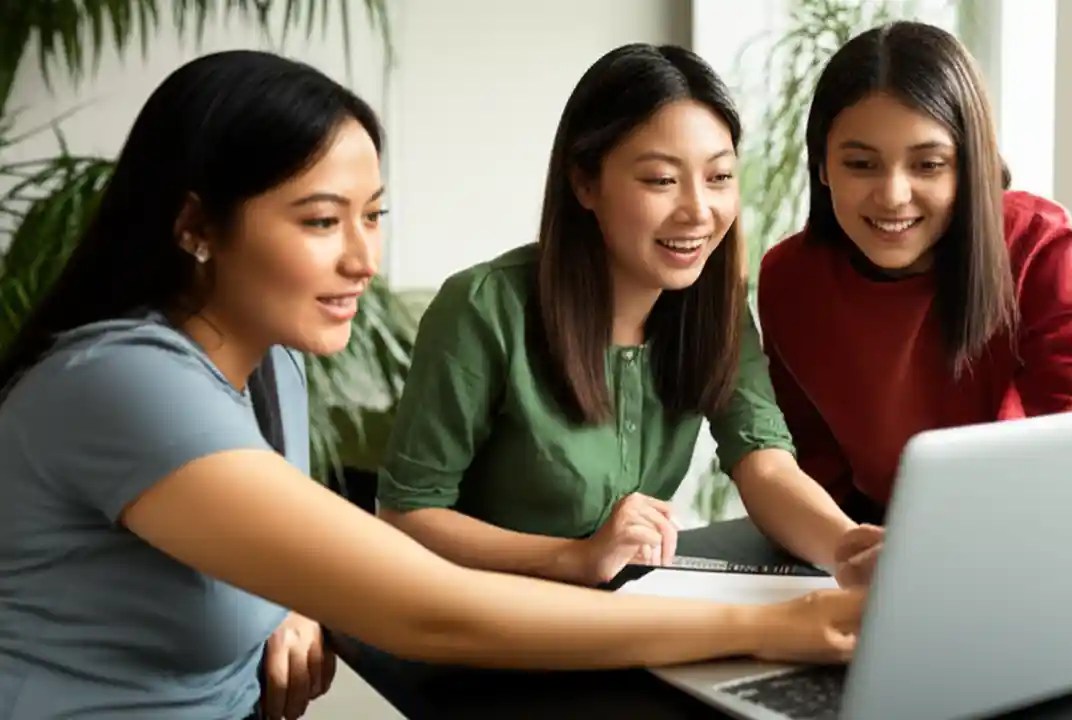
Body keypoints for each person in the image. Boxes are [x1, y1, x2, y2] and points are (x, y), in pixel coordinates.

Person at [0, 50, 868, 720]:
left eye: (374, 215)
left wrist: (285, 604)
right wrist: (765, 627)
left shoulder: (271, 365)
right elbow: (426, 609)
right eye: (320, 220)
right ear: (195, 226)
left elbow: (247, 542)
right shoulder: (123, 384)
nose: (363, 259)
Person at [377, 43, 880, 590]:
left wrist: (847, 547)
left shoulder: (715, 306)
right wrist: (573, 557)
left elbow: (763, 461)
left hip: (624, 613)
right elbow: (406, 518)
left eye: (718, 178)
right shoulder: (482, 309)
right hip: (490, 625)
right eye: (662, 180)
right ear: (585, 183)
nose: (698, 211)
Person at [756, 21, 1072, 526]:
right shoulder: (790, 278)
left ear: (970, 165)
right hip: (864, 541)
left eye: (928, 165)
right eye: (861, 164)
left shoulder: (1039, 246)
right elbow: (808, 464)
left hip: (1025, 528)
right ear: (822, 166)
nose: (893, 195)